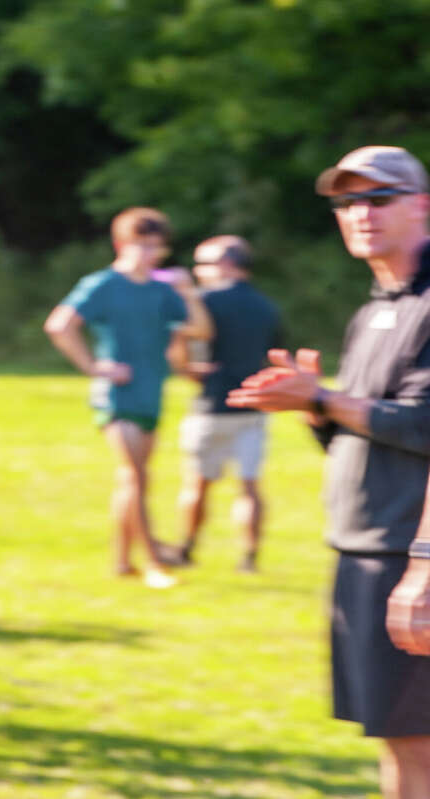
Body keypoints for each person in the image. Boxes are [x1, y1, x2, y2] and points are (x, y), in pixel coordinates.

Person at [228, 145, 430, 798]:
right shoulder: (374, 309)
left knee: (420, 745)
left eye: (378, 198)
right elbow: (375, 438)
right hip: (364, 550)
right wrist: (311, 409)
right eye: (346, 203)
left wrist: (323, 398)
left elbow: (425, 426)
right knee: (397, 739)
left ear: (422, 205)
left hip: (409, 552)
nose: (360, 214)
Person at [44, 207, 213, 588]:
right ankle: (153, 563)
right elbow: (59, 325)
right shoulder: (103, 284)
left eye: (157, 248)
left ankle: (122, 563)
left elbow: (200, 330)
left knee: (134, 479)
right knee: (135, 475)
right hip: (115, 396)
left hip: (150, 393)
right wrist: (94, 367)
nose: (150, 255)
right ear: (121, 244)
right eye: (142, 245)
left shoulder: (161, 291)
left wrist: (188, 292)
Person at [170, 236, 281, 572]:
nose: (198, 271)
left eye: (204, 263)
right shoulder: (266, 305)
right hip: (253, 404)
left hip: (212, 403)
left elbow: (177, 342)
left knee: (198, 482)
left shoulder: (202, 302)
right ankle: (249, 557)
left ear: (227, 264)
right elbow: (274, 354)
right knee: (249, 485)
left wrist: (185, 370)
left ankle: (186, 549)